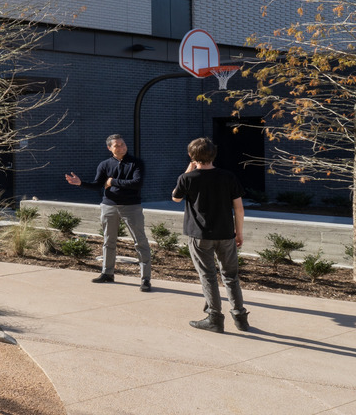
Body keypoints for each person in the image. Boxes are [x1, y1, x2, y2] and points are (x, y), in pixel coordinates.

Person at [171, 136, 249, 332]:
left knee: (208, 276)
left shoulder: (186, 178)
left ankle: (214, 318)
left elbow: (176, 198)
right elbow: (239, 209)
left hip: (200, 235)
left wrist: (188, 171)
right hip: (226, 234)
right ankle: (240, 317)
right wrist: (238, 232)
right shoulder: (228, 176)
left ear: (191, 156)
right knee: (231, 276)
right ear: (214, 154)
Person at [65, 133, 152, 291]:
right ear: (109, 148)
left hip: (131, 207)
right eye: (117, 145)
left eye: (123, 144)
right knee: (108, 241)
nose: (121, 147)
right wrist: (80, 183)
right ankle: (107, 273)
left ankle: (145, 279)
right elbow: (98, 185)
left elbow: (137, 183)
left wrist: (112, 181)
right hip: (109, 206)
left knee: (140, 242)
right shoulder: (104, 164)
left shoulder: (137, 163)